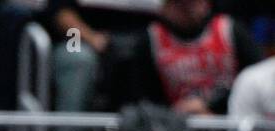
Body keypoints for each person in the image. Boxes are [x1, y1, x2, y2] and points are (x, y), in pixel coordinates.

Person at [102, 0, 263, 114]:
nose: (186, 9)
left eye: (190, 3)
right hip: (174, 125)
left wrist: (212, 108)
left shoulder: (230, 30)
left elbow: (258, 80)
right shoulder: (150, 40)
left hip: (227, 118)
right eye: (178, 4)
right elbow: (142, 98)